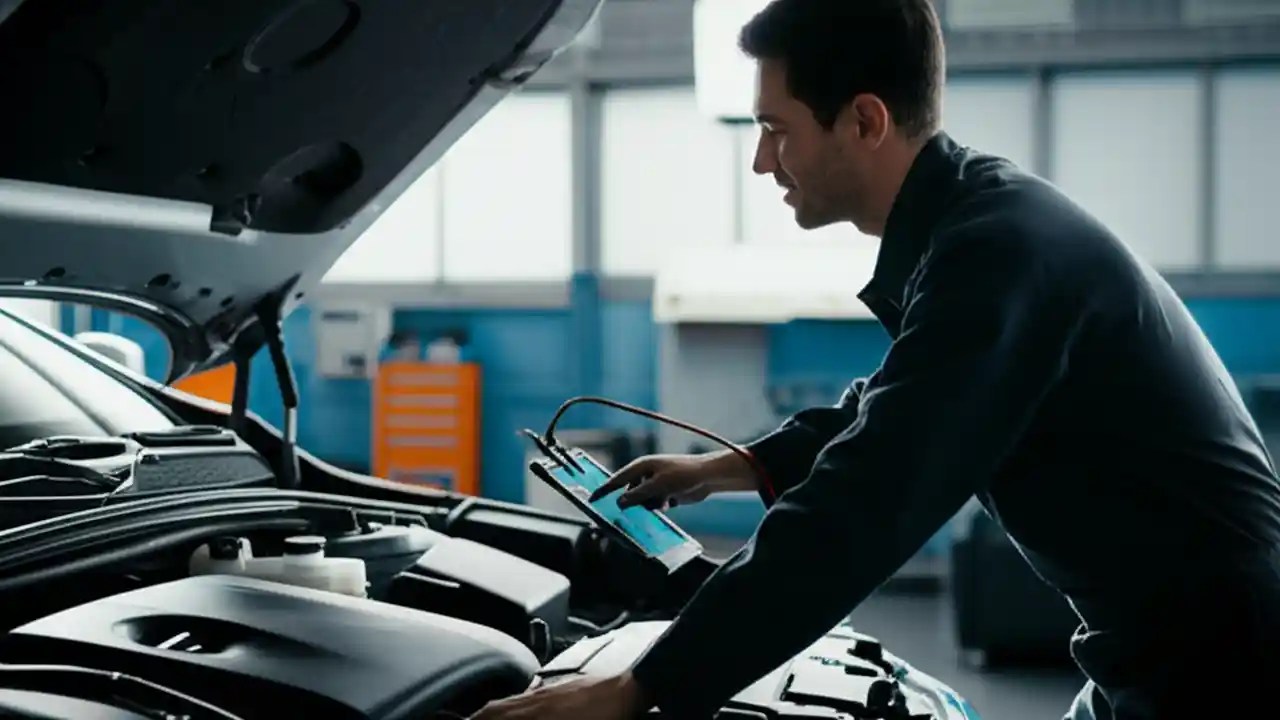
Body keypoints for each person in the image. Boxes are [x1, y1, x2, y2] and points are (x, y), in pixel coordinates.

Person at [472, 1, 1280, 718]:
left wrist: (643, 686)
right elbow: (890, 406)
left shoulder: (997, 254)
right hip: (1155, 647)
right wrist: (733, 466)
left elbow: (863, 504)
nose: (761, 162)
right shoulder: (976, 221)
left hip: (1224, 666)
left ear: (864, 120)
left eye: (777, 129)